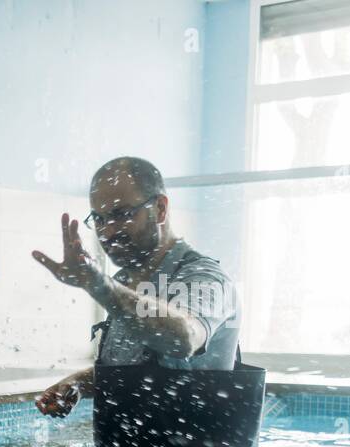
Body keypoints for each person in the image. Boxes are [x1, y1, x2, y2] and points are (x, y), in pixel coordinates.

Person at [31, 156, 239, 417]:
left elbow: (184, 339)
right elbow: (132, 372)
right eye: (99, 219)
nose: (108, 232)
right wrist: (78, 383)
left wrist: (98, 285)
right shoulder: (123, 284)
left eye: (121, 215)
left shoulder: (205, 277)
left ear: (160, 209)